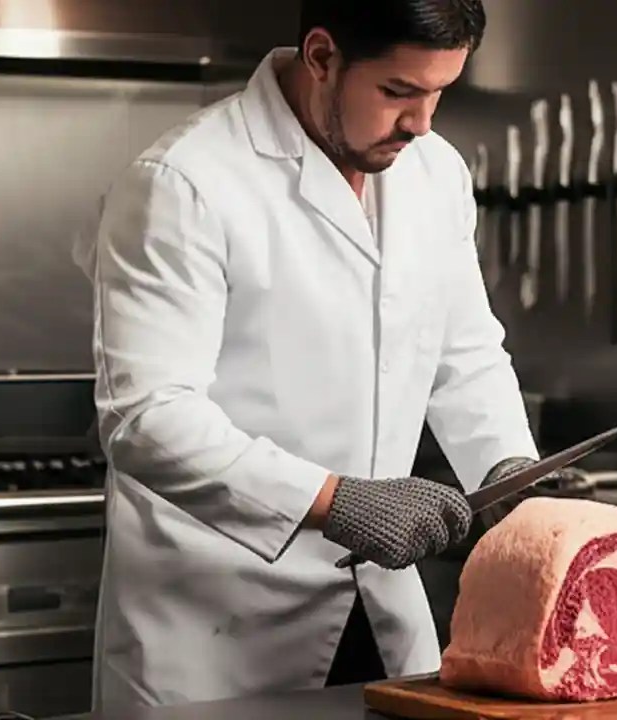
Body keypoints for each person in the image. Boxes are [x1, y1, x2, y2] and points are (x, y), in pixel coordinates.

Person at [73, 0, 575, 712]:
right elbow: (147, 420)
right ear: (321, 56)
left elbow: (464, 353)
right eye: (399, 92)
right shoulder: (183, 183)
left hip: (383, 612)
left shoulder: (435, 172)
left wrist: (507, 468)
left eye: (439, 93)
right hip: (218, 627)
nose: (422, 123)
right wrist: (336, 501)